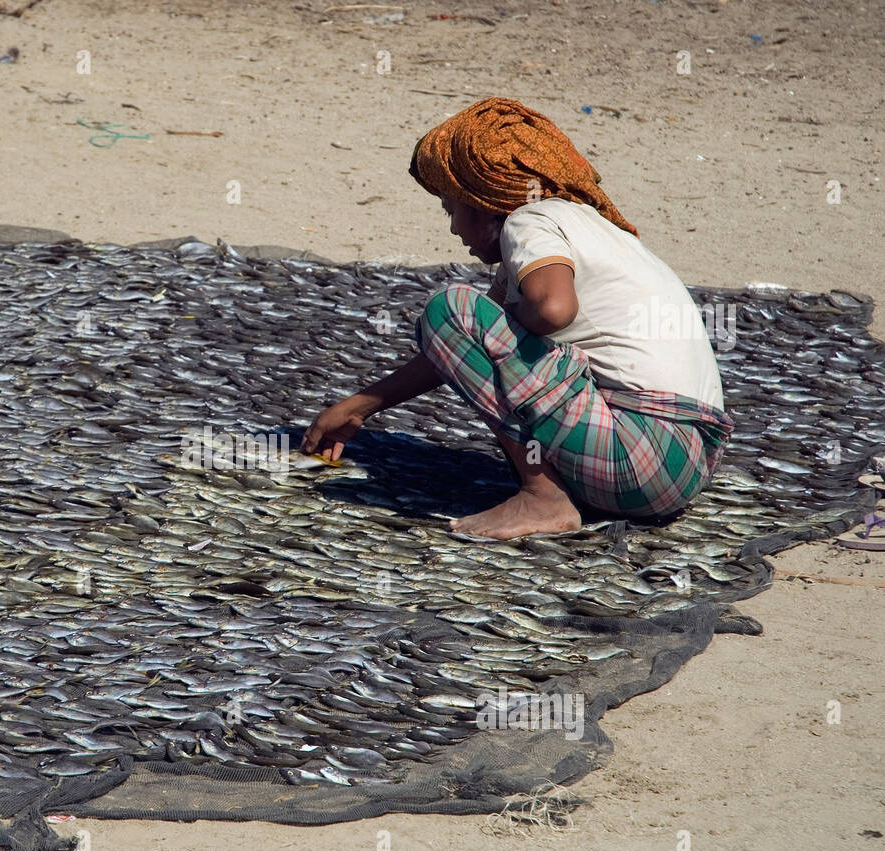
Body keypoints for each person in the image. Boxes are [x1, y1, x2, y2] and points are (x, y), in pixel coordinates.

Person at [302, 97, 733, 540]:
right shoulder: (593, 230)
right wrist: (360, 407)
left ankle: (543, 496)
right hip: (684, 468)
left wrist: (510, 320)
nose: (454, 230)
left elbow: (551, 310)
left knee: (449, 308)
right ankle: (559, 491)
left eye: (452, 210)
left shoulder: (530, 222)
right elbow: (463, 352)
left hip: (639, 458)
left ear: (483, 201)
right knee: (473, 324)